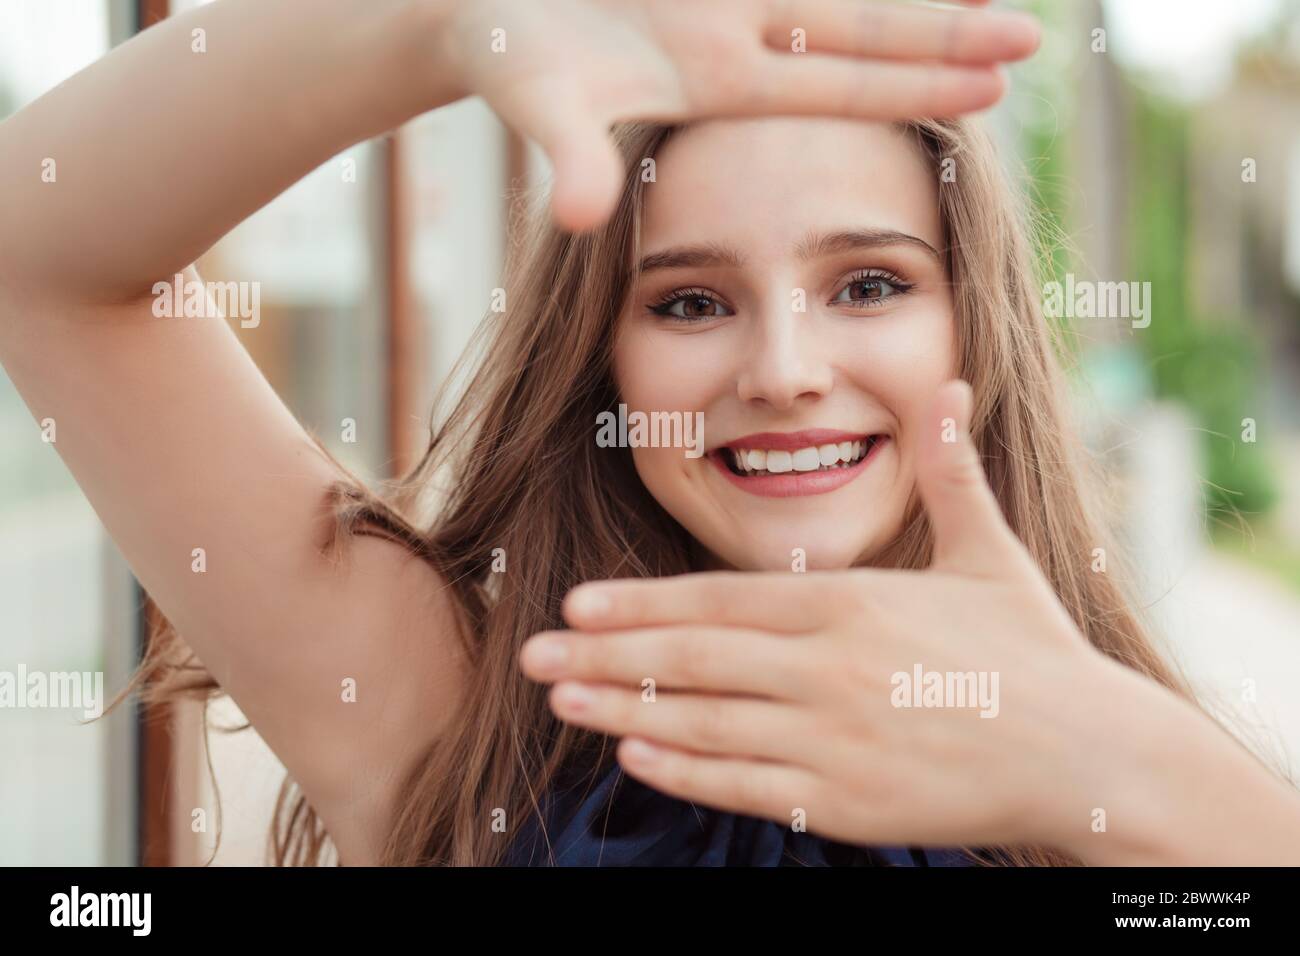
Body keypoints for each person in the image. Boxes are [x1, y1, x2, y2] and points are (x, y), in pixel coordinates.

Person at [1, 0, 1297, 867]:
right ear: (601, 359)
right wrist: (443, 26)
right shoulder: (459, 719)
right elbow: (37, 245)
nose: (784, 372)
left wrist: (1119, 762)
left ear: (974, 329)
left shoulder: (1142, 799)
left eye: (868, 284)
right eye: (689, 300)